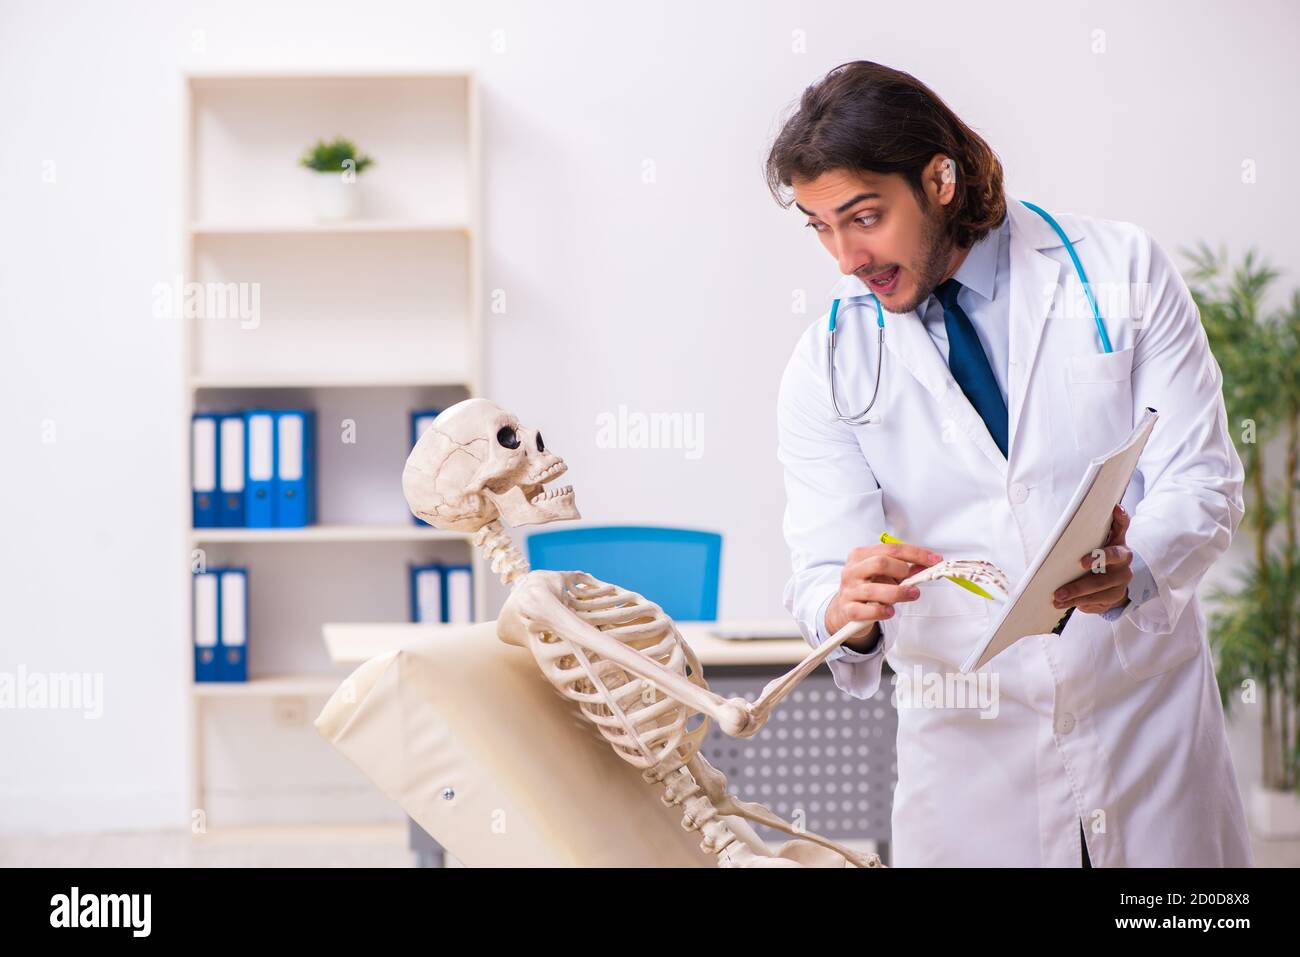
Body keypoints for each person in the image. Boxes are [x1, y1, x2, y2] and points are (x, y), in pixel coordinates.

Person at [769, 61, 1252, 867]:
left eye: (864, 216)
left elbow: (1203, 480)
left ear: (940, 178)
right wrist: (842, 607)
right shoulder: (825, 363)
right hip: (971, 765)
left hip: (1147, 729)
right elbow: (821, 570)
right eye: (820, 226)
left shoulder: (1118, 272)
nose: (846, 256)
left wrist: (1133, 571)